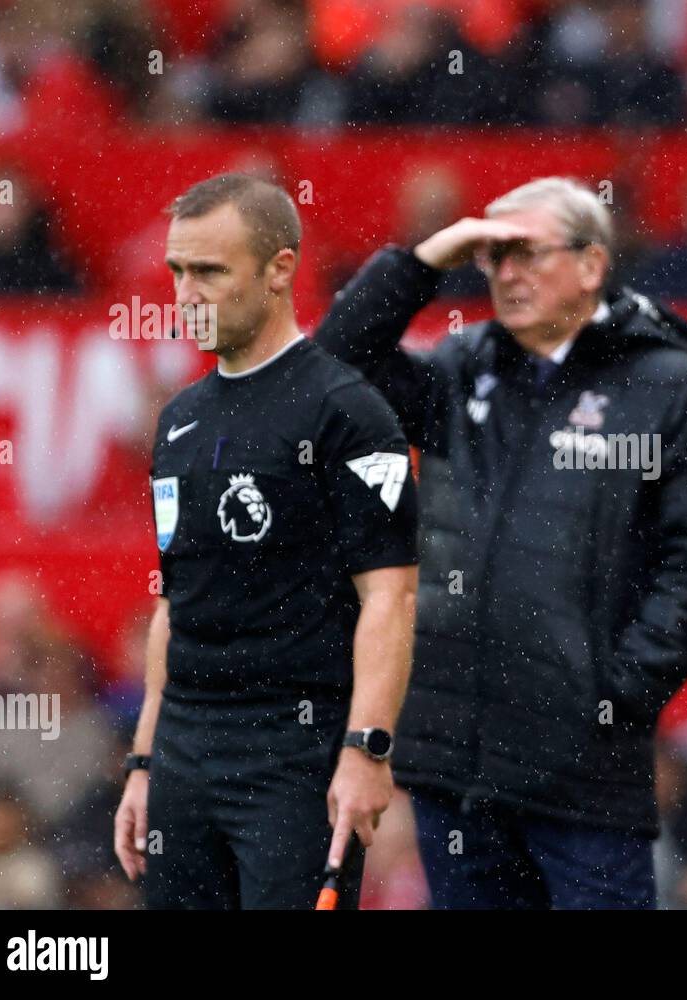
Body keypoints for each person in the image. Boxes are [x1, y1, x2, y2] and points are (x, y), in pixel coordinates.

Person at [314, 176, 687, 909]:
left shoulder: (666, 387)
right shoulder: (463, 369)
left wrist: (614, 692)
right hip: (455, 765)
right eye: (493, 256)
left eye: (527, 254)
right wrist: (424, 261)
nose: (506, 274)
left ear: (591, 264)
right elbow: (334, 368)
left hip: (581, 772)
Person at [112, 174, 419, 909]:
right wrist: (145, 760)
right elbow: (174, 604)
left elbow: (391, 594)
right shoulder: (179, 420)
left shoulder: (350, 412)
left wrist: (366, 751)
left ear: (280, 269)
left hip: (296, 759)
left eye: (210, 271)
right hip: (184, 756)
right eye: (177, 271)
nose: (187, 292)